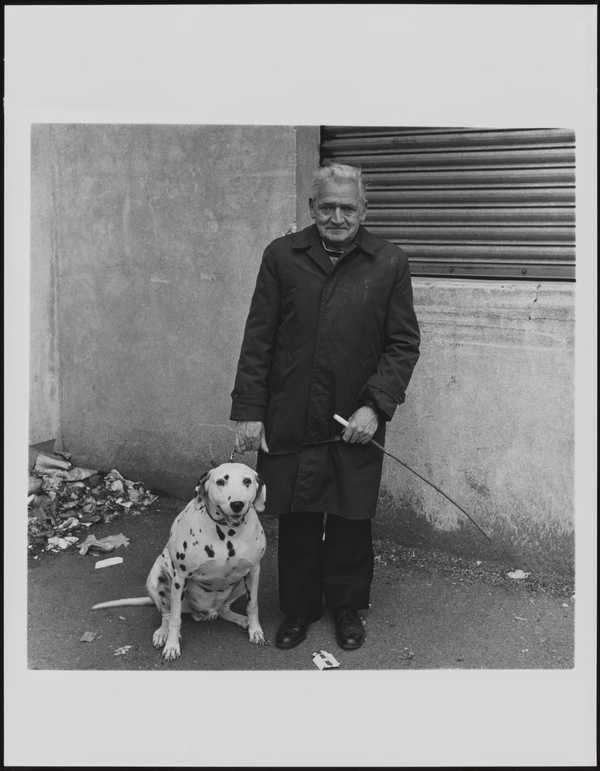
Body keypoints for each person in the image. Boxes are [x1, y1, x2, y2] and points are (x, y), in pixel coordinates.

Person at [230, 163, 420, 651]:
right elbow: (259, 338)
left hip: (354, 419)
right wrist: (250, 410)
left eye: (348, 207)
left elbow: (402, 345)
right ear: (312, 208)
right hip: (289, 414)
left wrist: (375, 408)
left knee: (351, 519)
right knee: (296, 517)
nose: (337, 216)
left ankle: (346, 607)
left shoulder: (389, 262)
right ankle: (298, 608)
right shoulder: (282, 257)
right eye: (327, 207)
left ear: (364, 210)